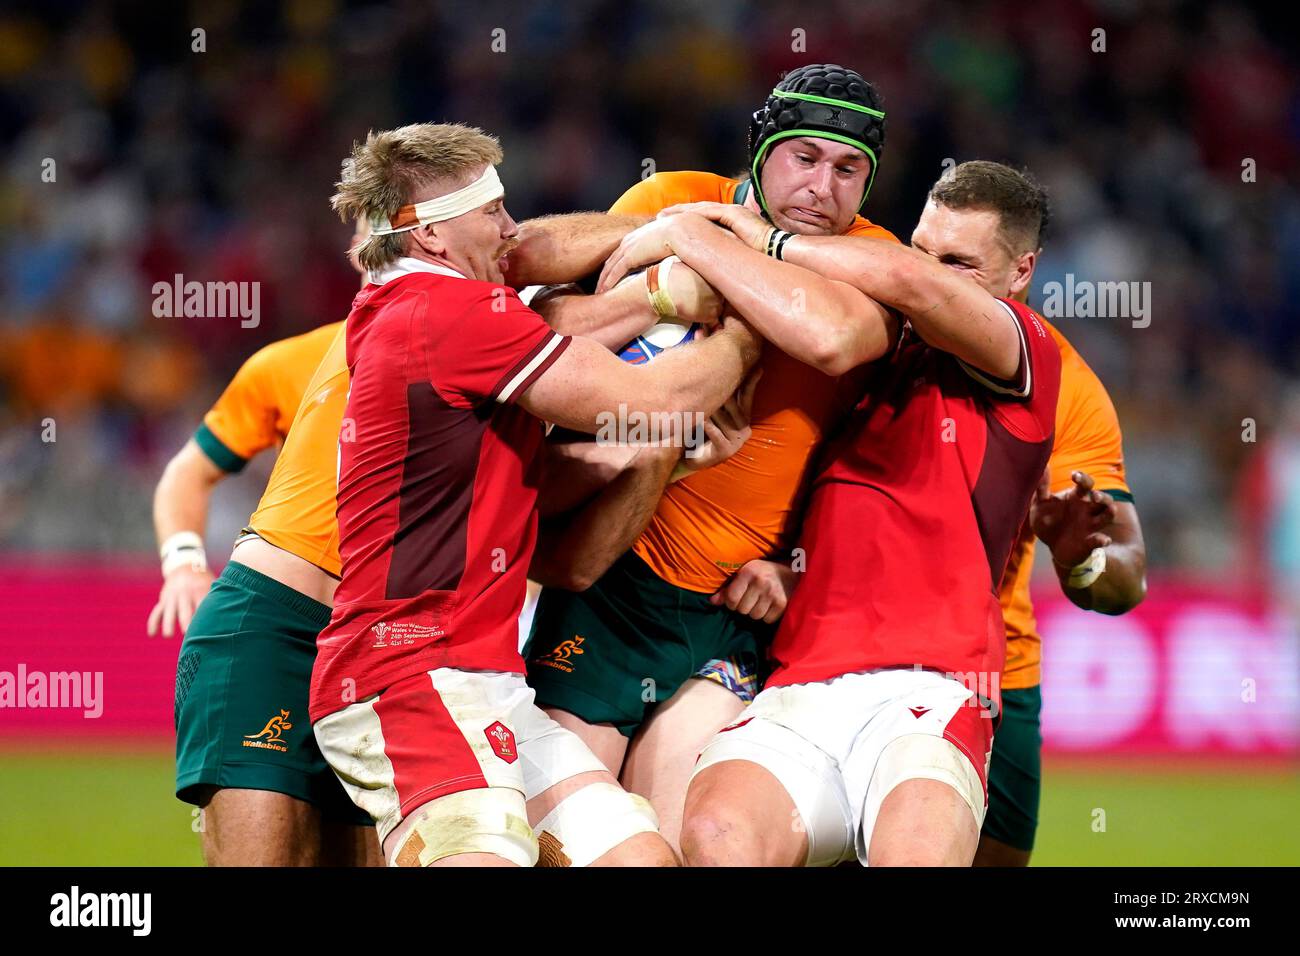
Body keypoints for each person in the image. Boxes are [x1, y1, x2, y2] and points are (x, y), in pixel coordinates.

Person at [310, 122, 760, 867]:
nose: (511, 228)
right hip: (411, 674)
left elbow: (560, 544)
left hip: (483, 676)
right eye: (491, 212)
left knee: (640, 859)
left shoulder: (407, 313)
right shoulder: (447, 315)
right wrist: (746, 335)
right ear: (430, 237)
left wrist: (659, 461)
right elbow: (652, 401)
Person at [619, 194, 1062, 866]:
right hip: (801, 681)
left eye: (960, 263)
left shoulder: (1022, 350)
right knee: (714, 837)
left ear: (1019, 272)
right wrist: (789, 568)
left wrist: (758, 239)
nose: (930, 271)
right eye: (922, 248)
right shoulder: (869, 367)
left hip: (931, 682)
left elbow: (912, 285)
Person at [522, 63, 899, 852]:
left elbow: (833, 341)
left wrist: (695, 238)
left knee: (678, 840)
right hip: (609, 582)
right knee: (569, 843)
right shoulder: (665, 194)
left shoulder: (875, 259)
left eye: (848, 169)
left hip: (733, 609)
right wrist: (658, 289)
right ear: (761, 152)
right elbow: (551, 333)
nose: (823, 187)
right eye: (804, 157)